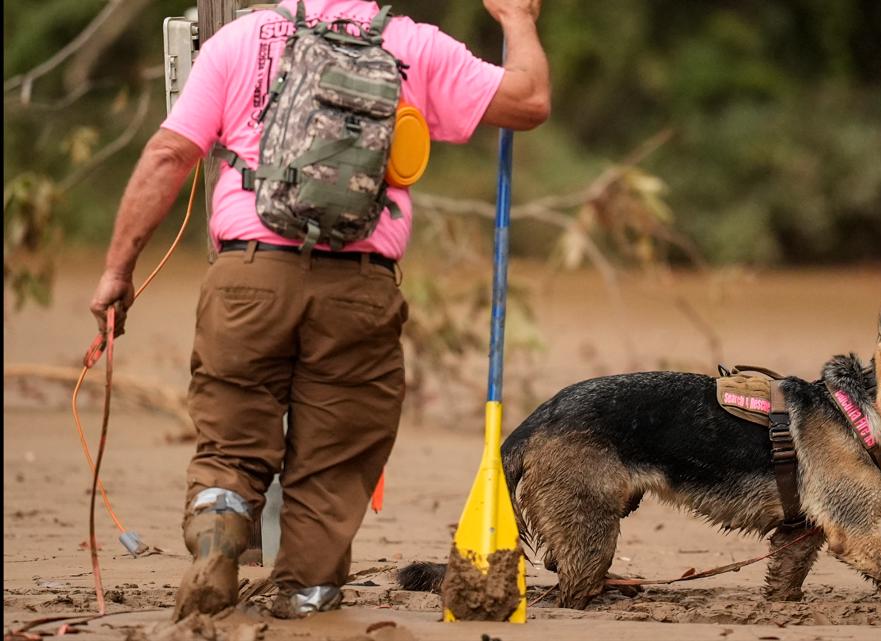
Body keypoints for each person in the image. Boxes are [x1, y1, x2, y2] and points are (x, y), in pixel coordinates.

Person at [88, 0, 549, 620]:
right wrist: (517, 19)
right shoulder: (414, 46)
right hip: (358, 290)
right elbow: (528, 101)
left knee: (231, 438)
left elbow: (168, 154)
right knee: (335, 457)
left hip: (248, 280)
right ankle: (305, 591)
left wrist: (118, 270)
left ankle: (219, 529)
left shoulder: (240, 40)